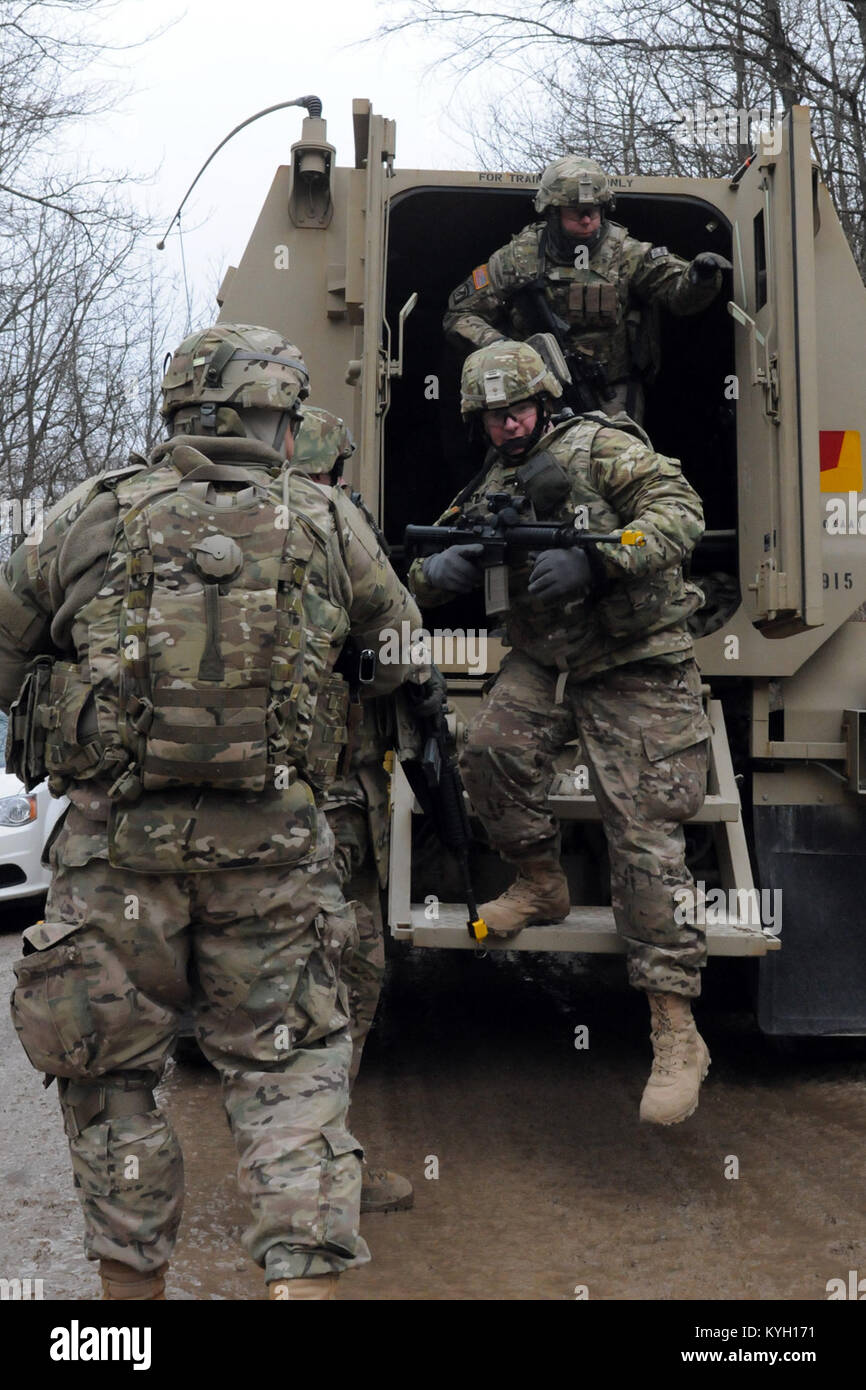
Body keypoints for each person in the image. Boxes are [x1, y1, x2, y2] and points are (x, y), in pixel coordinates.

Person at [0, 322, 422, 1301]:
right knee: (288, 1091)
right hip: (270, 866)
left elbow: (5, 651)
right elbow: (398, 653)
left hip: (117, 867)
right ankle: (300, 1285)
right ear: (276, 417)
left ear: (180, 409)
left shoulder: (88, 515)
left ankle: (130, 1306)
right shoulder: (326, 519)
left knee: (113, 1088)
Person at [408, 339, 713, 1126]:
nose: (508, 427)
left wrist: (606, 561)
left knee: (643, 834)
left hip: (635, 659)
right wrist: (443, 573)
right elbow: (425, 563)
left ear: (541, 401)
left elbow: (680, 513)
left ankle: (675, 1031)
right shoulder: (491, 485)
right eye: (492, 417)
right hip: (545, 659)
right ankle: (542, 884)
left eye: (517, 411)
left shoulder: (602, 446)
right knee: (489, 755)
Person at [292, 405, 413, 1214]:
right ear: (336, 470)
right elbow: (401, 651)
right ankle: (315, 1171)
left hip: (197, 816)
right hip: (325, 807)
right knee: (344, 973)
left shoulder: (157, 513)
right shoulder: (335, 527)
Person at [443, 155, 728, 423]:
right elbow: (460, 315)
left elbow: (677, 294)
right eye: (577, 212)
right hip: (533, 390)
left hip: (608, 390)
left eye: (593, 211)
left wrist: (699, 277)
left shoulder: (626, 253)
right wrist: (504, 349)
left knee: (619, 461)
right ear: (552, 212)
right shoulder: (517, 258)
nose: (587, 220)